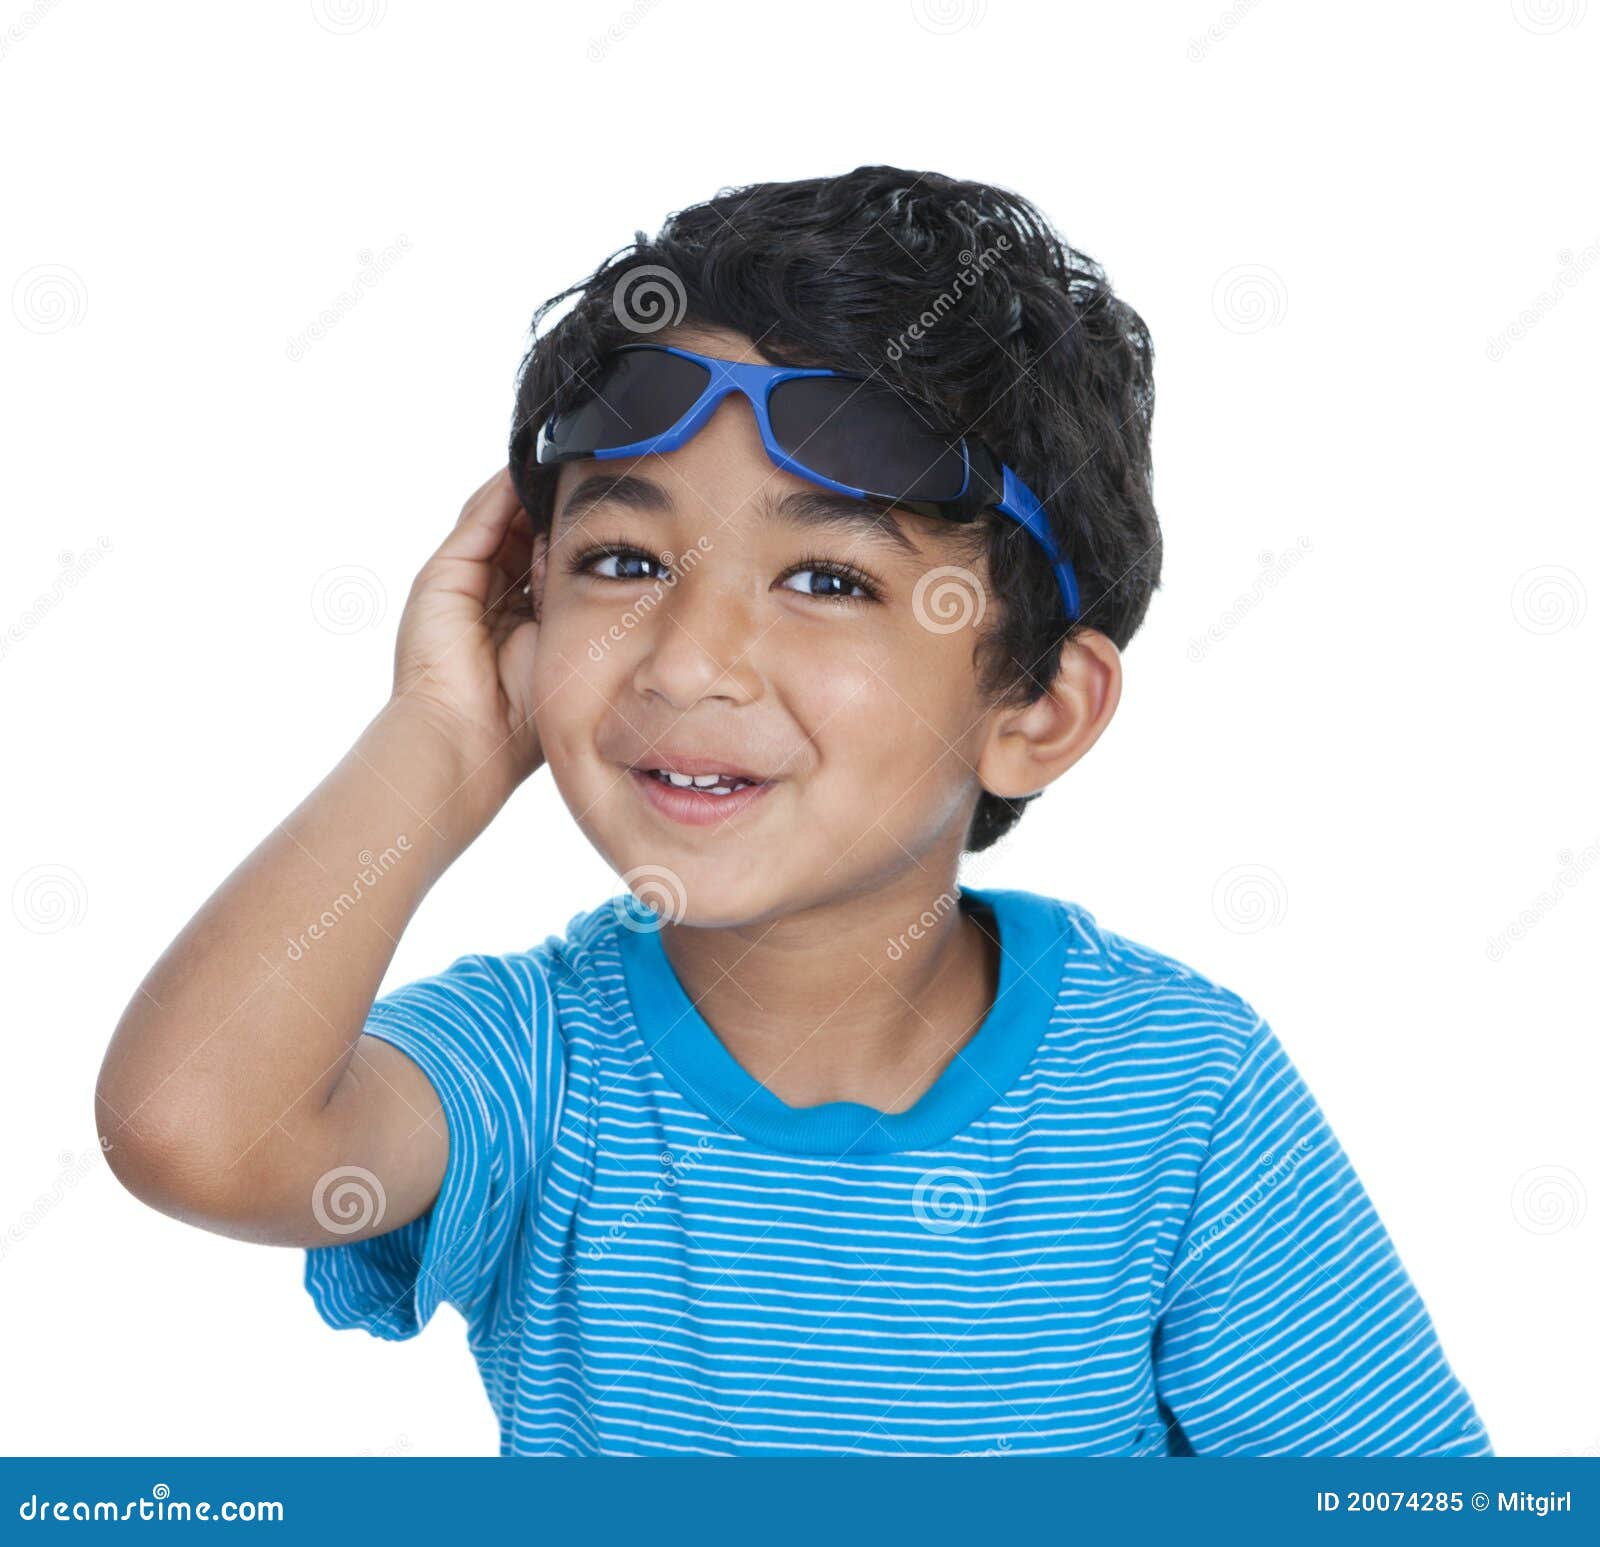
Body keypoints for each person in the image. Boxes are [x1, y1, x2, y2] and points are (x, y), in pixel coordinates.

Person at [96, 166, 1492, 1458]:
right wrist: (441, 742)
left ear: (1038, 708)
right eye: (626, 559)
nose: (690, 659)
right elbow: (192, 1129)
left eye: (828, 579)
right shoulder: (537, 1066)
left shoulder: (1178, 1092)